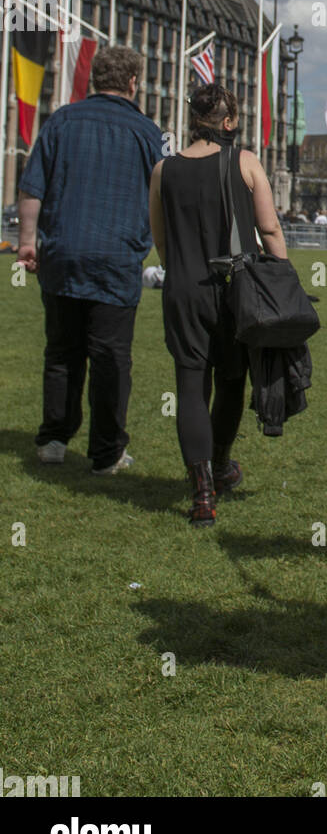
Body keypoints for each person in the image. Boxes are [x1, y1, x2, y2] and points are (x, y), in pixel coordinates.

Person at [18, 47, 164, 474]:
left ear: (94, 78)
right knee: (111, 357)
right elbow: (163, 197)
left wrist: (28, 242)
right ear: (133, 82)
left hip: (63, 253)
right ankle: (106, 453)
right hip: (117, 258)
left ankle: (54, 440)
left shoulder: (61, 120)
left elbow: (32, 188)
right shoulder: (146, 131)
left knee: (62, 351)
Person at [149, 83, 288, 527]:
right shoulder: (245, 161)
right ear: (228, 122)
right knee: (231, 382)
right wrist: (282, 281)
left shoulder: (163, 169)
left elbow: (160, 240)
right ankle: (222, 466)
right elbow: (269, 230)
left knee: (191, 386)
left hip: (184, 288)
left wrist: (182, 272)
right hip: (236, 289)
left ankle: (202, 493)